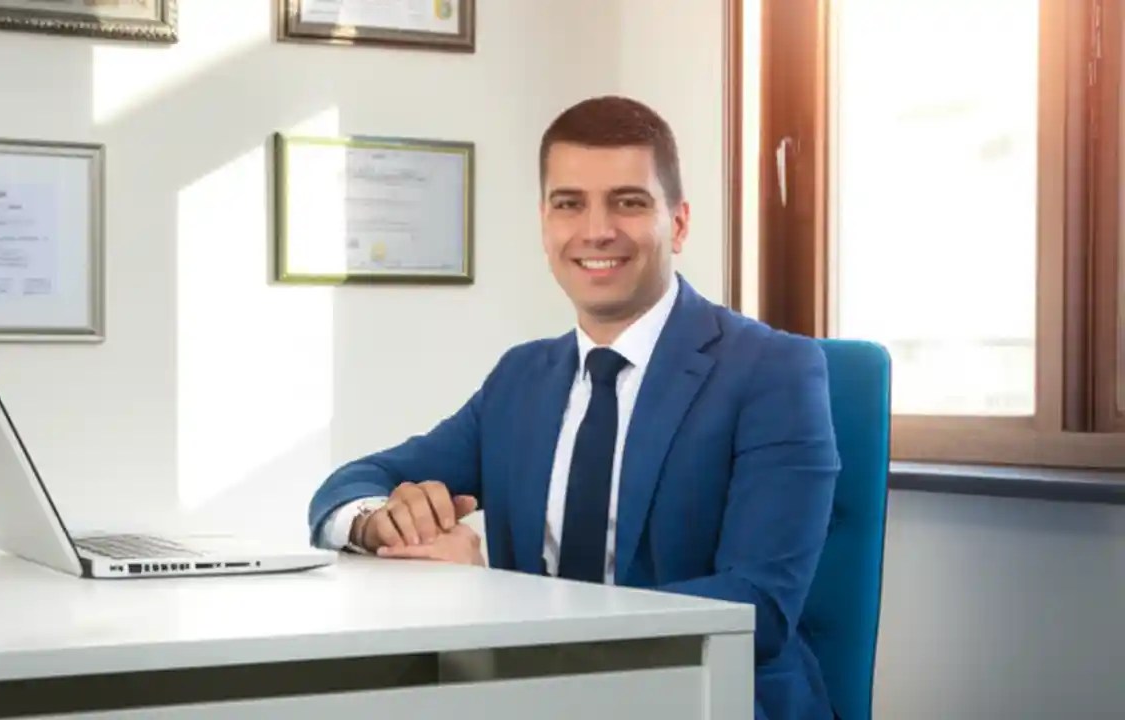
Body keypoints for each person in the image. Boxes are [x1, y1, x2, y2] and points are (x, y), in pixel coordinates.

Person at [306, 95, 839, 720]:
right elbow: (347, 487)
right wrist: (382, 522)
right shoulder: (521, 379)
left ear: (681, 223)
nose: (596, 230)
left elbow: (759, 607)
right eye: (569, 204)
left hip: (702, 700)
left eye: (629, 202)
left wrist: (494, 601)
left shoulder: (774, 371)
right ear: (544, 224)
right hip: (533, 700)